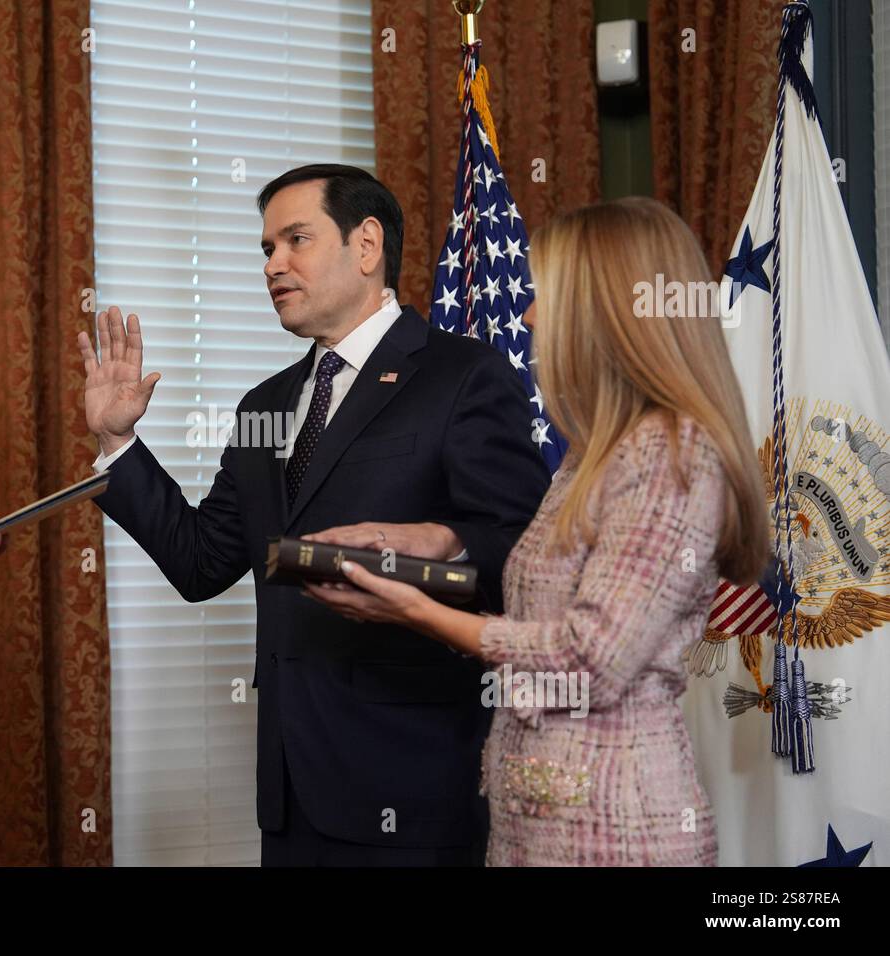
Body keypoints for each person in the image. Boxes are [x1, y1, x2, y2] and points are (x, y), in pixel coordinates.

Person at [79, 164, 549, 865]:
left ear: (366, 247)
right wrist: (119, 442)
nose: (273, 264)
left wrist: (426, 548)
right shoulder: (265, 405)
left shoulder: (465, 376)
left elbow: (518, 553)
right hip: (291, 794)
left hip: (415, 784)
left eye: (295, 240)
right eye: (265, 249)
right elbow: (203, 562)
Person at [306, 196, 771, 866]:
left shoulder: (673, 455)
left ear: (606, 309)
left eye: (546, 293)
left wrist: (420, 612)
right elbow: (541, 614)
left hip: (615, 830)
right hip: (536, 823)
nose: (526, 314)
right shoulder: (593, 452)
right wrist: (426, 548)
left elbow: (590, 660)